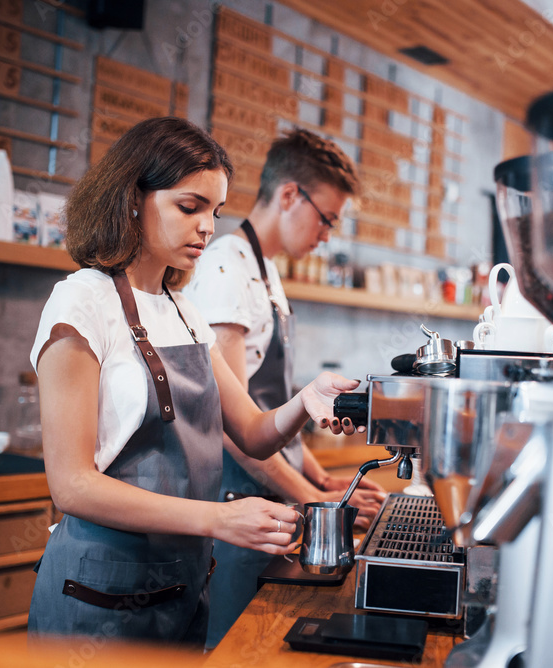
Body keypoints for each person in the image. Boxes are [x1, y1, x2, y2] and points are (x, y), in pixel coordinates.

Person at [26, 117, 359, 647]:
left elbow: (251, 430)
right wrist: (217, 520)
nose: (207, 227)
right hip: (98, 595)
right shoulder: (81, 301)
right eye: (190, 207)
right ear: (133, 198)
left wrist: (305, 400)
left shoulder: (183, 311)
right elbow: (71, 484)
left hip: (180, 590)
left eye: (216, 212)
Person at [186, 128, 386, 648]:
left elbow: (275, 406)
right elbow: (234, 424)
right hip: (244, 500)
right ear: (291, 195)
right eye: (328, 218)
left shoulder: (267, 272)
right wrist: (320, 500)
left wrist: (325, 484)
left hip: (276, 500)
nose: (328, 235)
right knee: (237, 648)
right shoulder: (227, 265)